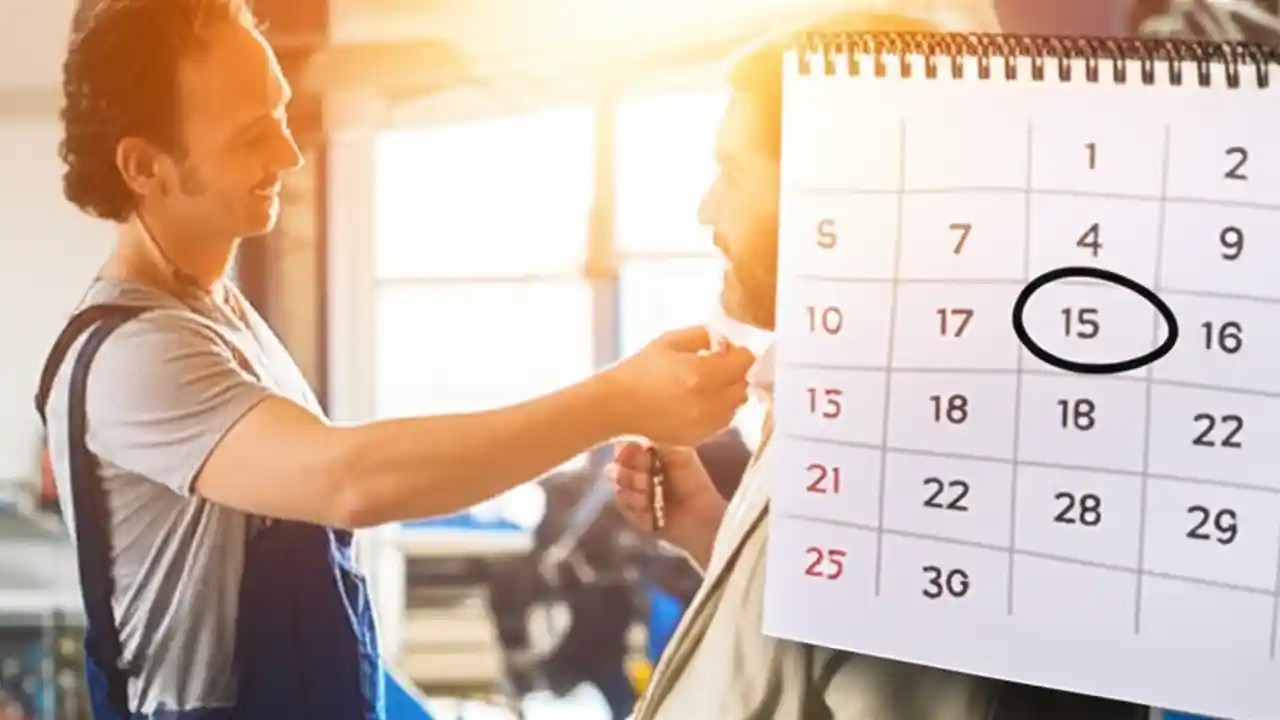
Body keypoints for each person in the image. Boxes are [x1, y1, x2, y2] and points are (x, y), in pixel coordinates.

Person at [36, 1, 754, 718]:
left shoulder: (223, 317)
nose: (288, 154)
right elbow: (351, 481)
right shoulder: (134, 354)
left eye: (282, 114)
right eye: (252, 135)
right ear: (143, 167)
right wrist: (619, 400)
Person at [607, 6, 1155, 719]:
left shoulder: (923, 452)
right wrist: (716, 532)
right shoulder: (852, 409)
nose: (707, 209)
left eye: (734, 172)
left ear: (842, 193)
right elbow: (832, 670)